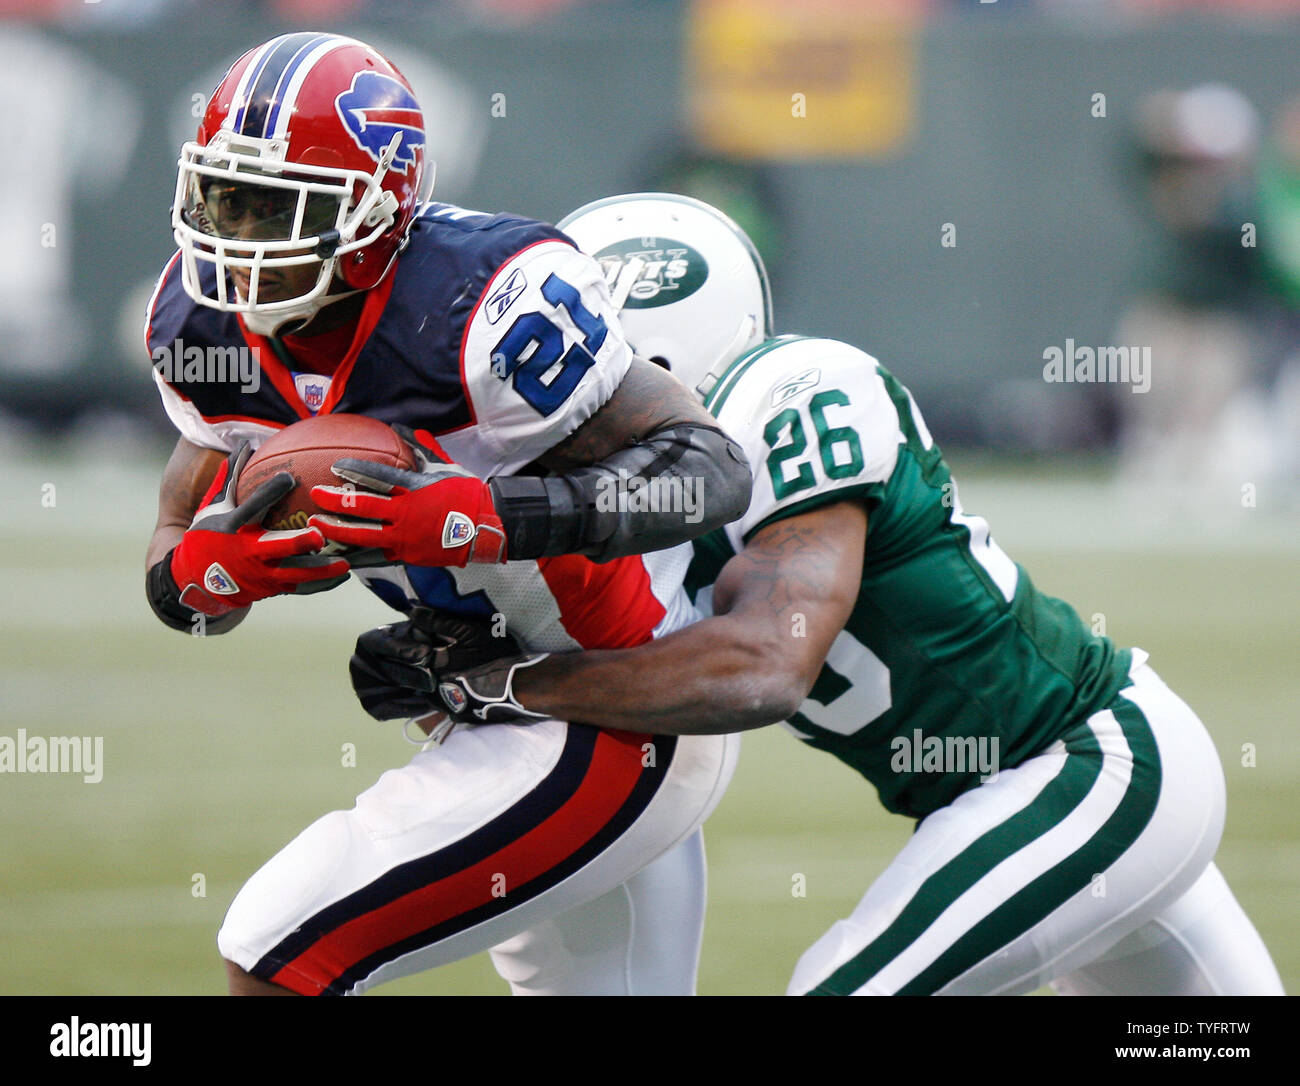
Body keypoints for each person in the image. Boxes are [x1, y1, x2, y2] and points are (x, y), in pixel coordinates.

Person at [354, 192, 1285, 996]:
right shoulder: (643, 497)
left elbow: (765, 666)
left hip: (1087, 769)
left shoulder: (791, 391)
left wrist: (510, 683)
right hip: (1005, 805)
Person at [144, 35, 752, 995]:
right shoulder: (203, 329)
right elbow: (179, 571)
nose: (241, 242)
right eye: (226, 199)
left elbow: (712, 471)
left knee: (277, 942)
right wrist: (204, 578)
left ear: (378, 208)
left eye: (277, 209)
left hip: (614, 704)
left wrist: (497, 515)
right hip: (483, 696)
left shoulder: (482, 311)